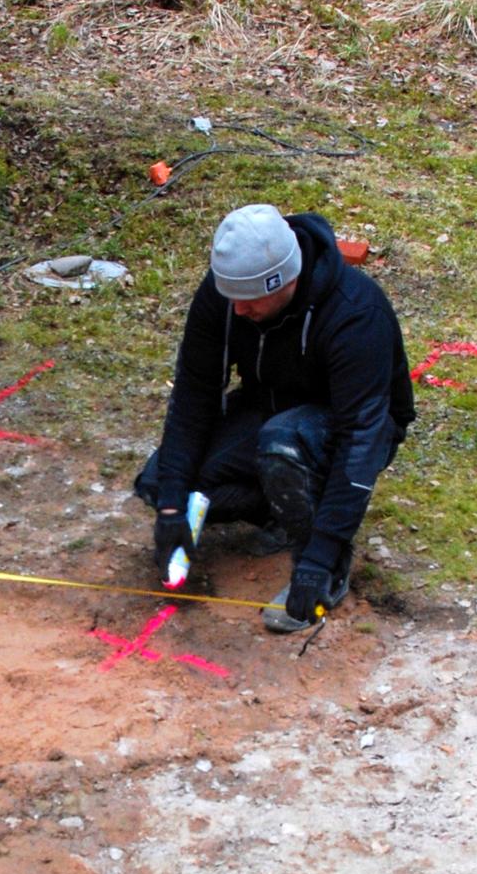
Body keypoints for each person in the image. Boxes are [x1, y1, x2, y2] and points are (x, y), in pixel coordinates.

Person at [135, 203, 415, 632]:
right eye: (231, 298)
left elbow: (360, 439)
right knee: (159, 482)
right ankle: (280, 511)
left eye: (249, 301)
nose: (238, 311)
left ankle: (328, 568)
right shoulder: (227, 297)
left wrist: (319, 559)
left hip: (348, 429)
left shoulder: (355, 314)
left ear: (287, 279)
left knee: (283, 444)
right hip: (267, 408)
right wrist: (173, 507)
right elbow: (194, 398)